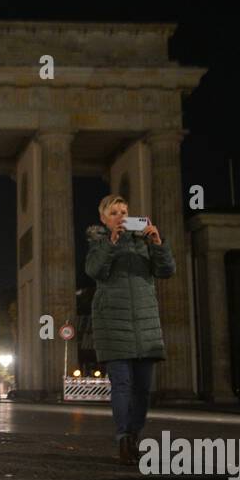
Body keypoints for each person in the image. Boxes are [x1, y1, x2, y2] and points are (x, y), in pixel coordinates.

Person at [84, 195, 176, 465]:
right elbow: (93, 270)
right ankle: (123, 438)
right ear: (103, 218)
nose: (120, 216)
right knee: (122, 385)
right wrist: (111, 243)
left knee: (143, 389)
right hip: (113, 323)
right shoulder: (99, 244)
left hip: (144, 324)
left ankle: (134, 435)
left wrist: (158, 243)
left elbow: (166, 270)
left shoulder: (144, 243)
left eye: (124, 212)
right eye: (114, 212)